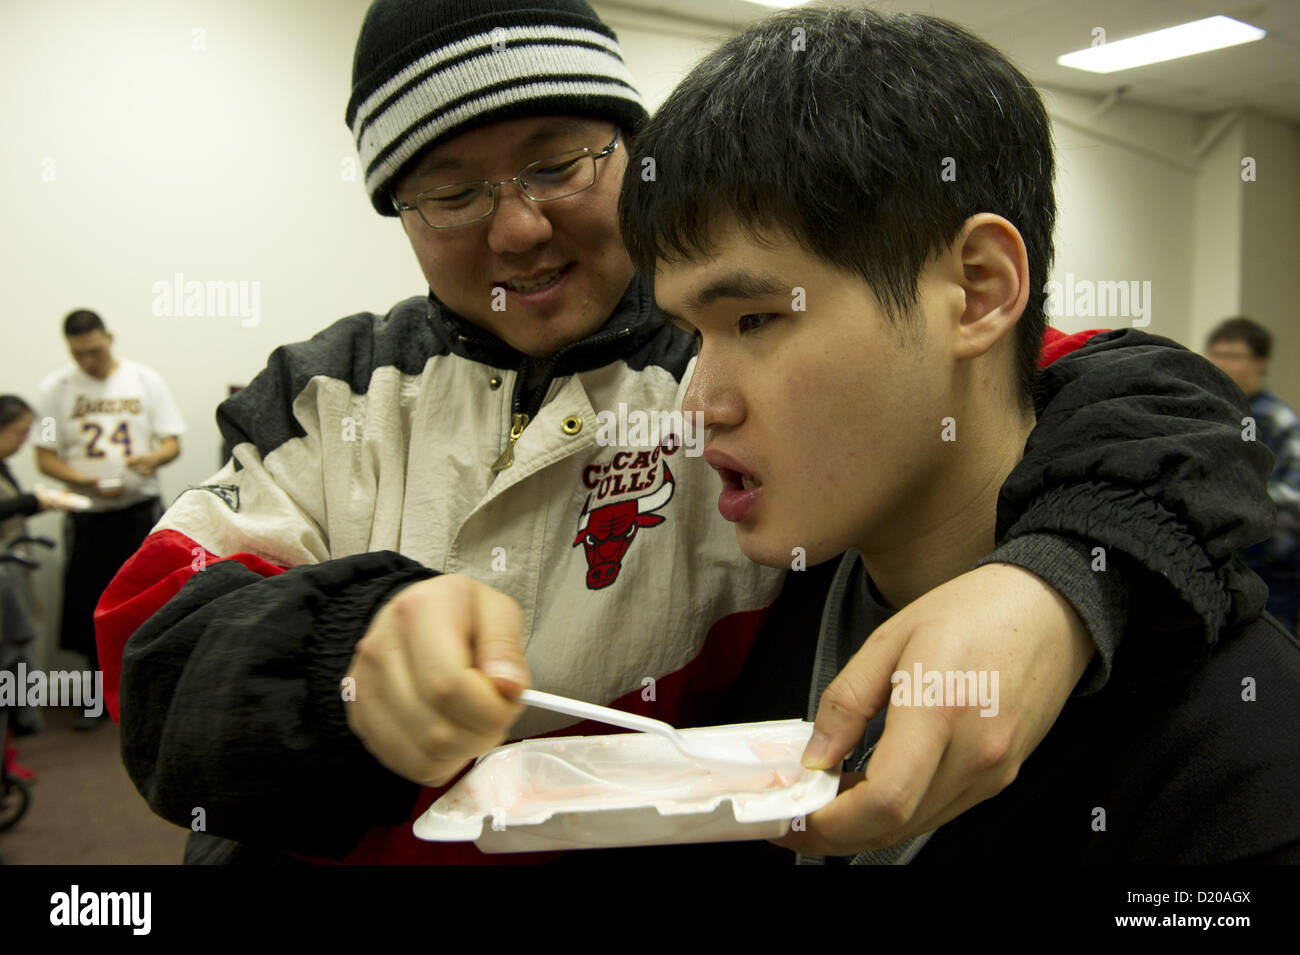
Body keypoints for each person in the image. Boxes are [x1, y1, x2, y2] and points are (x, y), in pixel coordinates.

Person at [96, 0, 1275, 865]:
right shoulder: (327, 392)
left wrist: (1055, 584)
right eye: (448, 191)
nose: (515, 229)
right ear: (397, 212)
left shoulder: (767, 381)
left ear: (628, 151)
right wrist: (338, 656)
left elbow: (1124, 407)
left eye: (556, 161)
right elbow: (153, 647)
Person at [619, 5, 1300, 863]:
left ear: (977, 290)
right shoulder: (756, 618)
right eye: (692, 335)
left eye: (755, 318)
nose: (697, 404)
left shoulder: (1231, 741)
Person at [33, 310, 185, 727]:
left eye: (95, 351)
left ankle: (146, 691)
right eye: (79, 354)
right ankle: (94, 695)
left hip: (139, 510)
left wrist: (153, 458)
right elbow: (44, 456)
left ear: (110, 338)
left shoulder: (145, 381)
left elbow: (172, 441)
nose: (89, 361)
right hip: (88, 514)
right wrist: (83, 480)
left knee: (148, 599)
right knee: (89, 603)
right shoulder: (53, 391)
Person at [0, 394, 88, 740]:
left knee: (19, 648)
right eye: (21, 432)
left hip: (11, 569)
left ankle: (14, 735)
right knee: (13, 649)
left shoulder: (4, 466)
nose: (24, 441)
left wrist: (38, 504)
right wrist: (34, 500)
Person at [1206, 317, 1300, 634]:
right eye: (1216, 353)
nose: (1221, 363)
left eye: (1233, 355)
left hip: (1269, 570)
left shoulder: (1279, 420)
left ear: (1259, 363)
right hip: (1216, 567)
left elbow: (1292, 496)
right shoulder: (1209, 413)